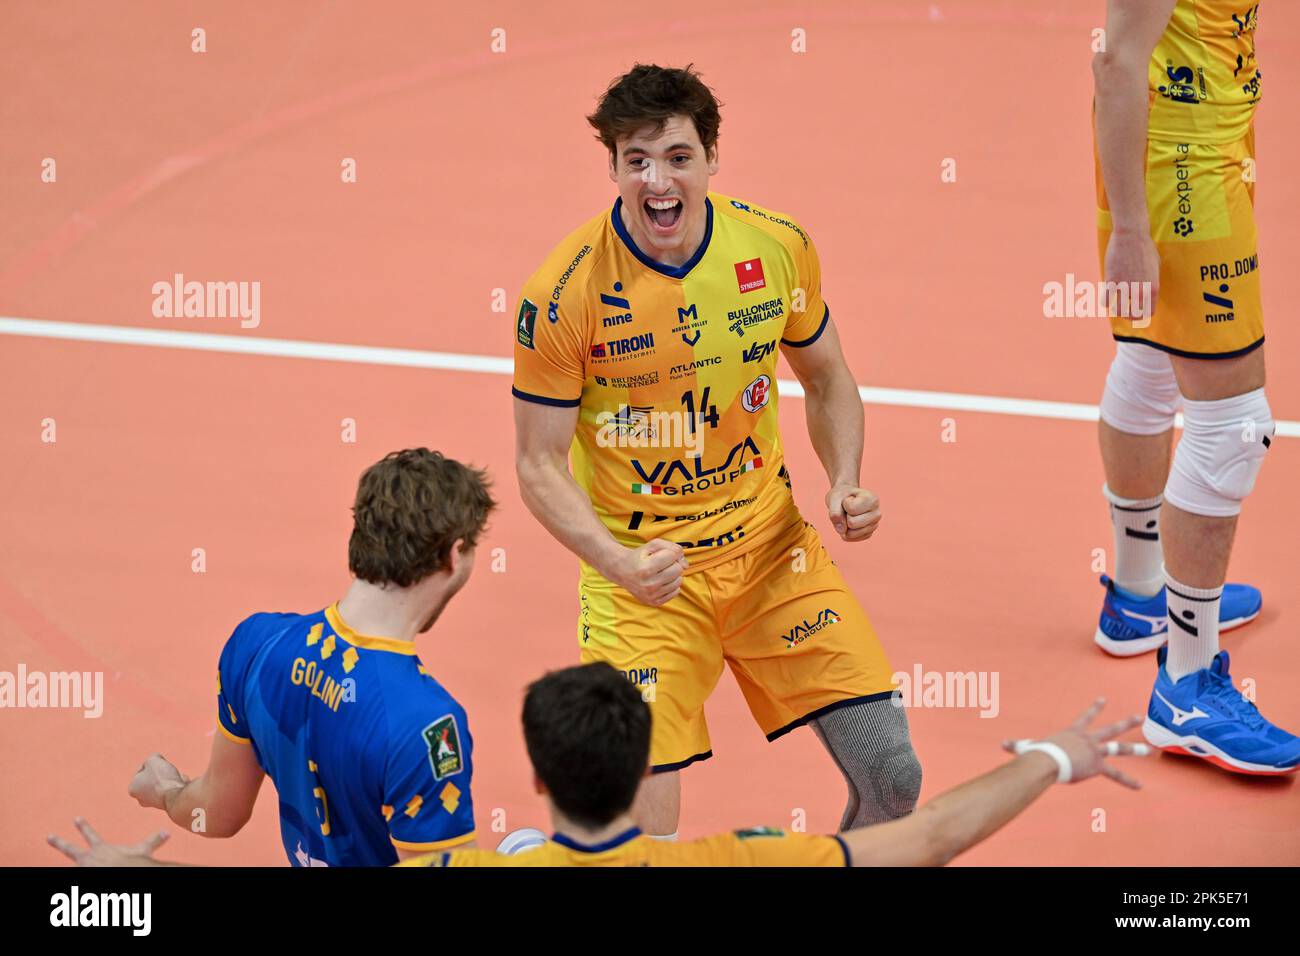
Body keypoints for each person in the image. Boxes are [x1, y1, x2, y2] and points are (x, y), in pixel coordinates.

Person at [511, 63, 920, 839]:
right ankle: (536, 854)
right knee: (643, 842)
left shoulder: (775, 247)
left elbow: (827, 377)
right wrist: (616, 560)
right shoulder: (565, 293)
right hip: (646, 582)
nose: (657, 180)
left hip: (773, 556)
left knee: (894, 779)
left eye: (676, 156)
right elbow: (537, 463)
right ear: (612, 169)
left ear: (712, 160)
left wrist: (845, 480)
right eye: (636, 160)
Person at [50, 663, 1149, 868]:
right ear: (644, 773)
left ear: (534, 778)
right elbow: (928, 835)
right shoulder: (741, 856)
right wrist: (1059, 754)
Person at [112, 448, 495, 865]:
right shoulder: (428, 726)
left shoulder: (256, 642)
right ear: (454, 555)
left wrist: (167, 792)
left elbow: (217, 813)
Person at [1091, 0, 1298, 772]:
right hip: (1181, 168)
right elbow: (1116, 63)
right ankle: (1185, 684)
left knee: (1149, 366)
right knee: (1236, 424)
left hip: (1205, 139)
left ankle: (1140, 594)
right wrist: (1134, 229)